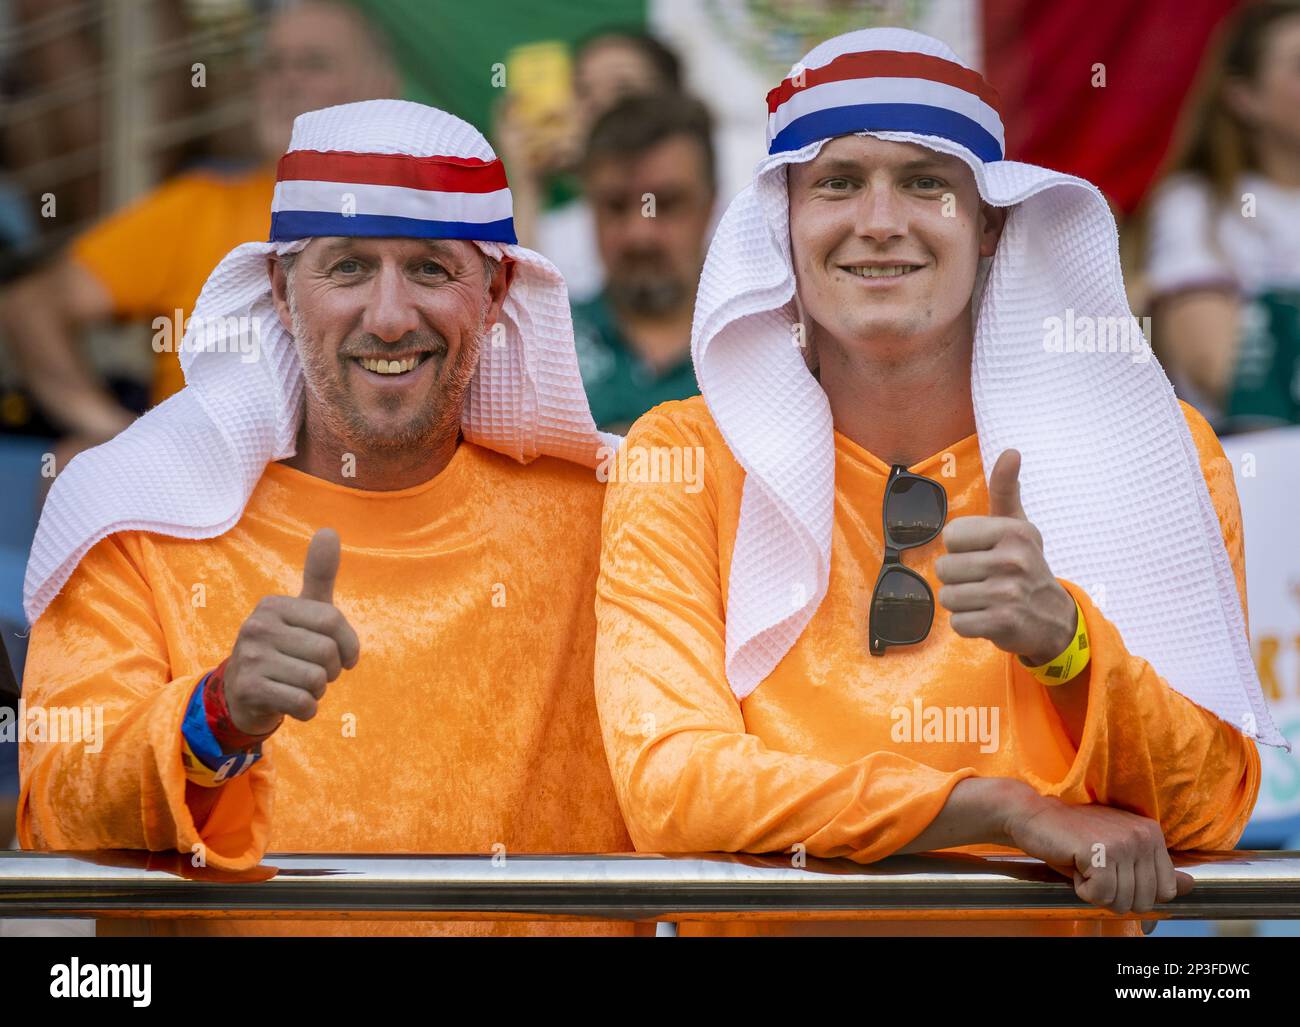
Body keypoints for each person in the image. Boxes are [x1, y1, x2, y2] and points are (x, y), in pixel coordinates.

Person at [593, 28, 1282, 937]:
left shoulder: (1155, 451)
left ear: (992, 219)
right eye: (839, 181)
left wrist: (1066, 645)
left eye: (926, 182)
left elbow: (1208, 812)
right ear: (785, 219)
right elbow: (671, 787)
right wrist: (994, 809)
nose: (880, 220)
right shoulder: (684, 458)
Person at [18, 99, 637, 937]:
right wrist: (216, 713)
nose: (389, 316)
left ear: (494, 292)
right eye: (348, 268)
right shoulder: (134, 517)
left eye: (429, 269)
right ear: (279, 290)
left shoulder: (614, 522)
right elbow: (60, 807)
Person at [0, 0, 398, 442]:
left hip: (353, 480)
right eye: (271, 65)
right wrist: (113, 434)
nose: (286, 81)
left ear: (380, 89)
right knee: (72, 463)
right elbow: (30, 308)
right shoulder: (199, 207)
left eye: (313, 63)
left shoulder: (417, 213)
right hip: (195, 481)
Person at [1142, 0, 1300, 433]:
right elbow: (1216, 370)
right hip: (1258, 467)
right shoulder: (1196, 205)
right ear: (1244, 98)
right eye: (1298, 66)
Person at [494, 28, 683, 304]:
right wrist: (526, 183)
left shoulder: (730, 209)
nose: (599, 103)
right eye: (582, 90)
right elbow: (517, 318)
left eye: (624, 89)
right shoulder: (550, 232)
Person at [572, 92, 714, 432]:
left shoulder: (769, 348)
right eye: (616, 205)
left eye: (665, 203)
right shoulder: (542, 346)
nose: (640, 235)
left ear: (710, 205)